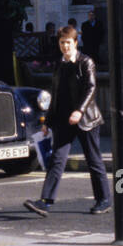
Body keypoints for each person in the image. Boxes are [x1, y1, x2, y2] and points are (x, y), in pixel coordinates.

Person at [24, 26, 112, 216]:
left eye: (68, 43)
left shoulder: (85, 62)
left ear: (75, 43)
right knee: (57, 159)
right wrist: (47, 122)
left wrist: (79, 111)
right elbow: (55, 95)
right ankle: (45, 202)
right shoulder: (59, 64)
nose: (65, 46)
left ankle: (104, 200)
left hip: (86, 119)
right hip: (64, 120)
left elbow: (91, 88)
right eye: (62, 42)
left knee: (93, 160)